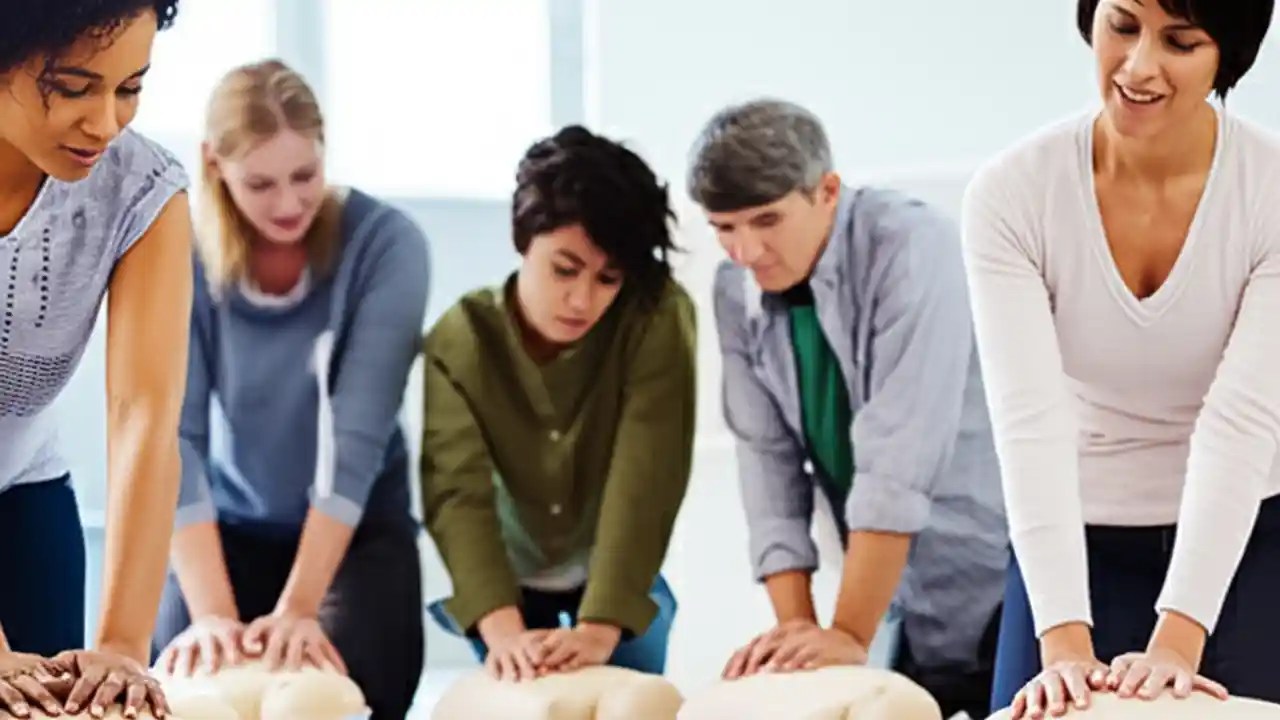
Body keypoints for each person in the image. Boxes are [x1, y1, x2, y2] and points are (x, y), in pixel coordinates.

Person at [961, 0, 1280, 716]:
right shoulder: (1013, 194)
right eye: (1123, 25)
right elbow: (1029, 422)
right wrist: (1065, 644)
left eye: (1181, 41)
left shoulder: (1271, 190)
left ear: (1226, 53)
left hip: (1256, 525)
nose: (1138, 66)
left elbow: (1242, 422)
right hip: (1083, 523)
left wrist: (1179, 638)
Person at [691, 98, 1009, 720]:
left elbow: (897, 461)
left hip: (998, 571)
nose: (746, 251)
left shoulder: (912, 245)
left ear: (827, 191)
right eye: (724, 228)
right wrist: (798, 640)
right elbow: (767, 464)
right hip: (899, 599)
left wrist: (846, 637)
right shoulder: (736, 288)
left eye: (766, 220)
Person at [149, 59, 429, 720]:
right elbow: (174, 436)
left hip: (357, 528)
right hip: (232, 524)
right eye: (261, 183)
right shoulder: (180, 254)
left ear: (326, 151)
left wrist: (301, 607)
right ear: (214, 164)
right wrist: (214, 616)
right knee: (179, 674)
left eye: (305, 176)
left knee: (355, 683)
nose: (288, 203)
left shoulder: (387, 246)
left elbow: (354, 437)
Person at [421, 125, 696, 683]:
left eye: (607, 278)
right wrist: (502, 630)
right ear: (523, 238)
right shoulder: (460, 338)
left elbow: (647, 477)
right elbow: (457, 495)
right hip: (505, 580)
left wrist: (600, 625)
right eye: (564, 269)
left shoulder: (656, 316)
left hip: (617, 573)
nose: (581, 299)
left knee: (632, 699)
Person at [0, 1, 193, 717]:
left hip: (24, 490)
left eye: (129, 88)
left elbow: (143, 414)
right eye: (74, 87)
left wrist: (120, 646)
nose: (106, 122)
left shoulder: (142, 191)